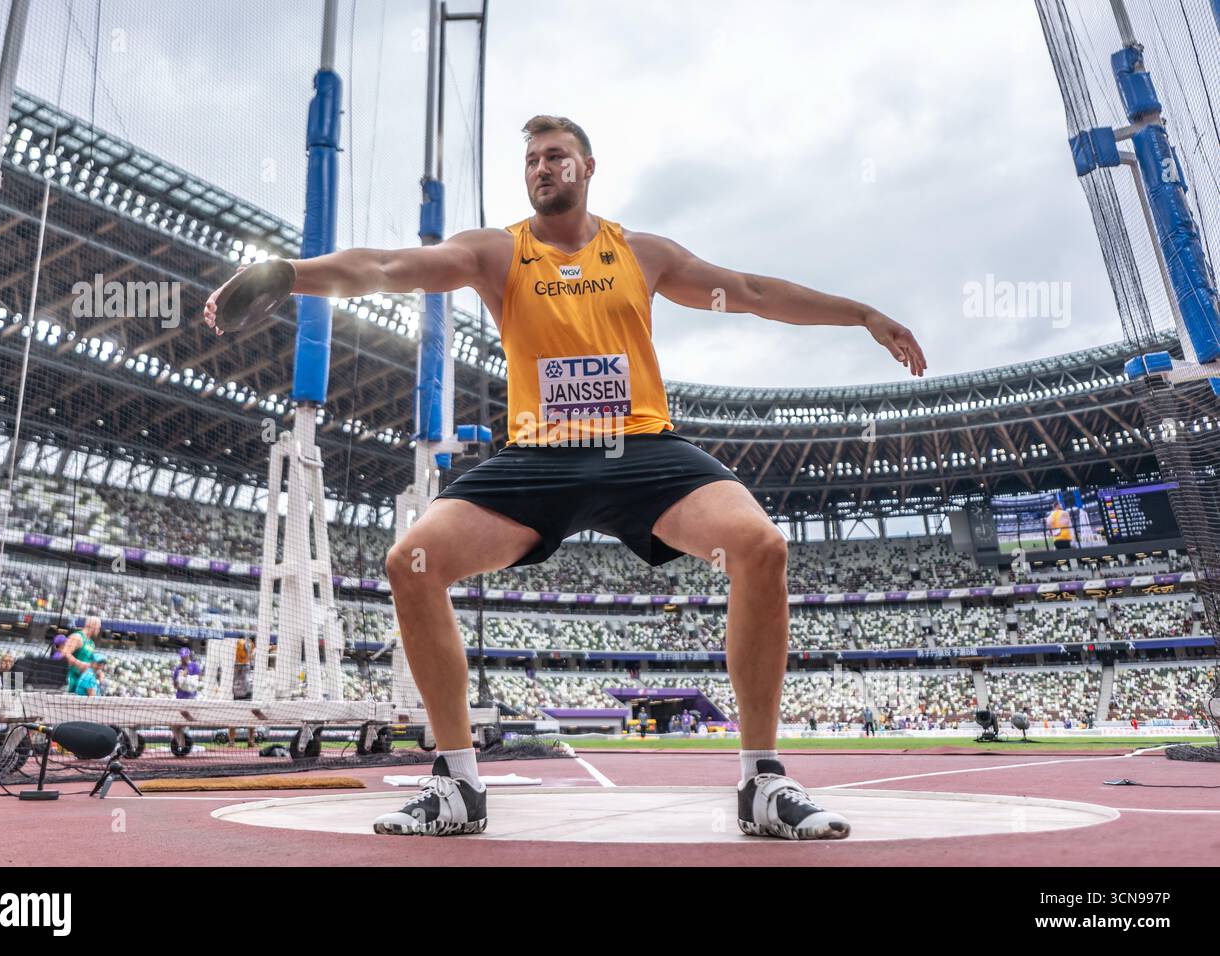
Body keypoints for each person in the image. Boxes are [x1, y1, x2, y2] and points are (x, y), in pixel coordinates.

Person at [205, 115, 925, 840]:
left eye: (556, 157)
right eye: (531, 161)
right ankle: (456, 784)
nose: (541, 169)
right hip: (537, 460)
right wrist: (290, 276)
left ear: (587, 167)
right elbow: (392, 268)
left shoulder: (642, 254)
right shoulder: (498, 252)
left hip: (640, 449)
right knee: (410, 563)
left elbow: (749, 290)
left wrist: (860, 314)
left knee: (761, 546)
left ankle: (763, 781)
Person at [60, 616, 101, 693]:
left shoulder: (92, 643)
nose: (99, 630)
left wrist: (97, 671)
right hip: (70, 678)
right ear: (93, 625)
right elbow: (64, 654)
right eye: (98, 627)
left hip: (82, 681)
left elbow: (90, 662)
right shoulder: (77, 637)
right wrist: (79, 664)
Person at [228, 637, 256, 747]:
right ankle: (237, 741)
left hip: (243, 690)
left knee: (249, 716)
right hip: (240, 690)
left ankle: (248, 741)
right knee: (235, 716)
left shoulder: (248, 661)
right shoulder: (236, 662)